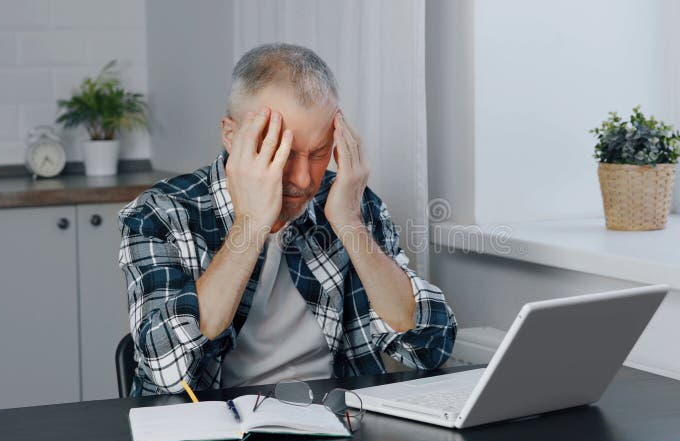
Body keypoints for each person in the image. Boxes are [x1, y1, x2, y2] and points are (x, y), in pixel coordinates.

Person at [118, 43, 456, 396]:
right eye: (282, 151)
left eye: (319, 153)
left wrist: (350, 224)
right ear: (232, 136)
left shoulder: (350, 200)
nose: (304, 179)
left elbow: (429, 350)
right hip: (218, 426)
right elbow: (165, 371)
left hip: (337, 421)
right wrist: (249, 224)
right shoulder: (159, 212)